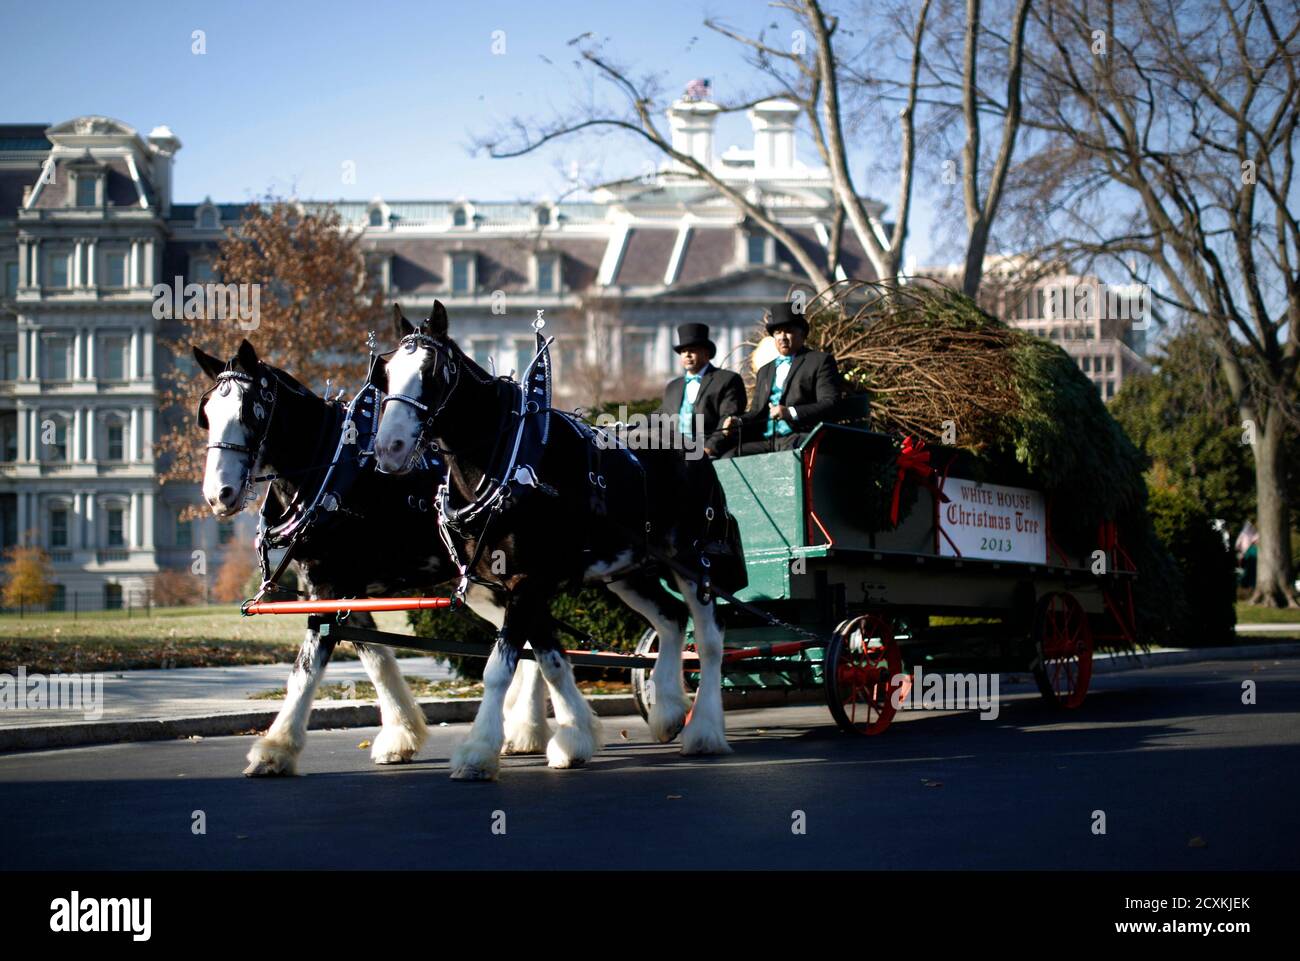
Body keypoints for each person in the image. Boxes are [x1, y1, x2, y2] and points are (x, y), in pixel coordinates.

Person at [724, 303, 843, 454]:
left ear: (802, 334)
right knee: (729, 457)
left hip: (800, 437)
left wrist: (791, 412)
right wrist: (739, 421)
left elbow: (831, 404)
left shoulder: (820, 361)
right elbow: (757, 412)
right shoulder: (764, 371)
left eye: (788, 331)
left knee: (788, 457)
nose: (782, 337)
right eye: (778, 332)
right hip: (767, 440)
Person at [659, 322, 746, 459]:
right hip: (676, 454)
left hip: (713, 453)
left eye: (692, 350)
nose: (687, 354)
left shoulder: (727, 380)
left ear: (706, 353)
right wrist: (629, 426)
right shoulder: (673, 386)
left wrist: (709, 448)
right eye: (683, 351)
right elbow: (661, 415)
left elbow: (728, 419)